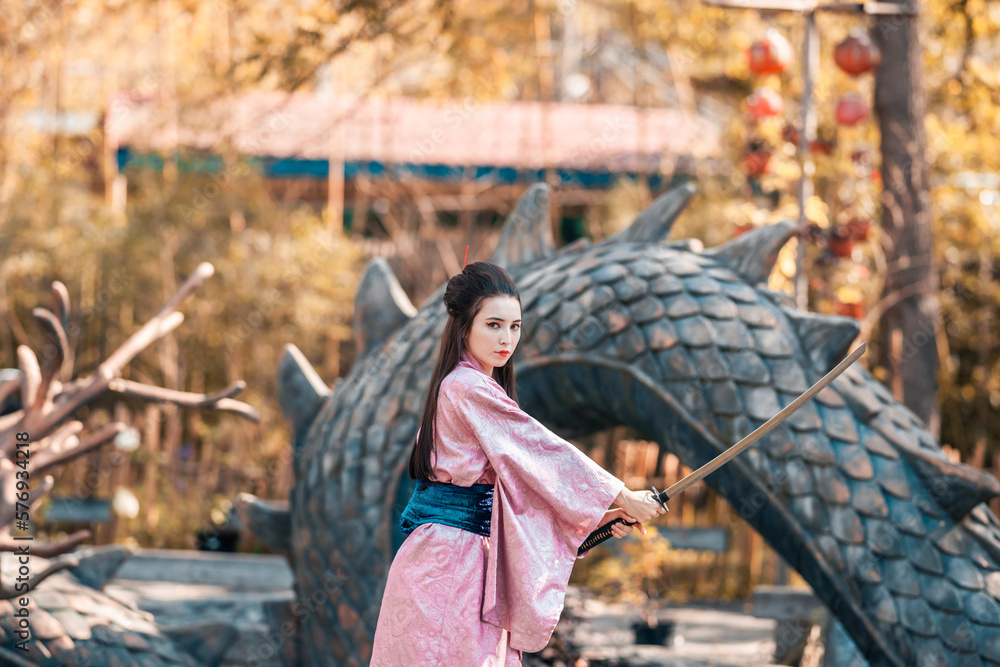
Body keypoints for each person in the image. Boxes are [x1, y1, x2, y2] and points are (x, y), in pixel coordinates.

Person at [370, 261, 666, 666]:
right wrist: (623, 495)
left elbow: (520, 489)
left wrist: (598, 518)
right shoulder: (465, 386)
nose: (506, 338)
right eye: (493, 325)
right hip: (451, 566)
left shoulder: (472, 385)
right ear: (464, 328)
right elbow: (540, 450)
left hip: (460, 559)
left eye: (515, 326)